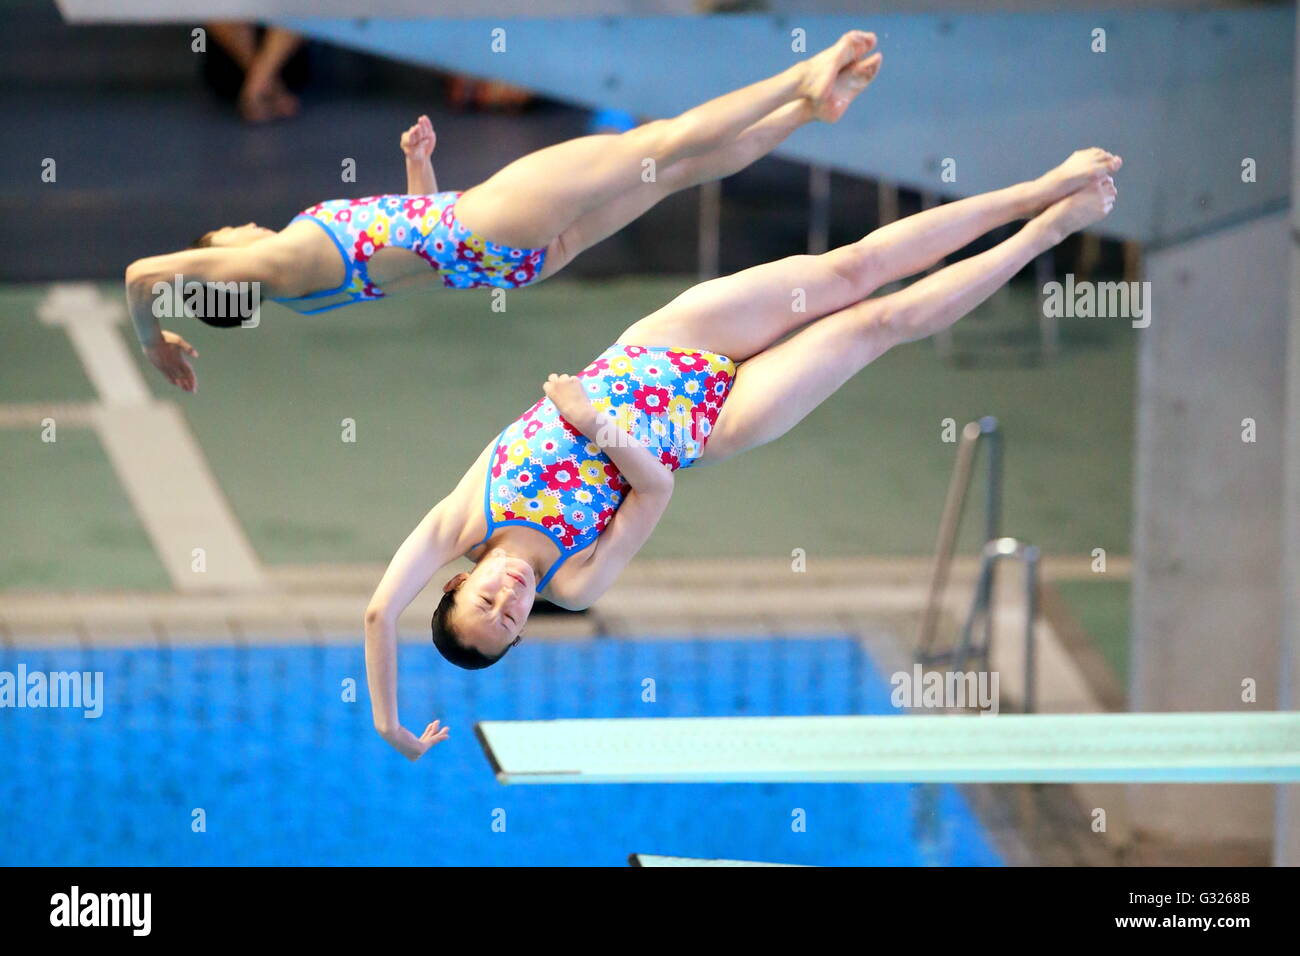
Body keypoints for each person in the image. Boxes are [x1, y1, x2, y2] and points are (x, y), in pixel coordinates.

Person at [362, 149, 1121, 760]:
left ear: (460, 582)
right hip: (715, 425)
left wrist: (390, 723)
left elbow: (378, 611)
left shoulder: (462, 519)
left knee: (850, 270)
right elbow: (655, 493)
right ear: (526, 627)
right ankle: (1043, 235)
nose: (510, 598)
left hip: (669, 343)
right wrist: (596, 426)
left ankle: (1037, 189)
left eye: (486, 600)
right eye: (511, 619)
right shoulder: (578, 582)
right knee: (877, 323)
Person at [124, 31, 883, 393]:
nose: (238, 229)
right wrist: (154, 339)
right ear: (222, 259)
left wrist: (418, 170)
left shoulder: (302, 289)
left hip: (502, 257)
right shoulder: (267, 265)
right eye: (222, 238)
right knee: (660, 141)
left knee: (670, 173)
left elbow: (412, 247)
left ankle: (808, 114)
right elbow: (141, 272)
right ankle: (800, 76)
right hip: (487, 223)